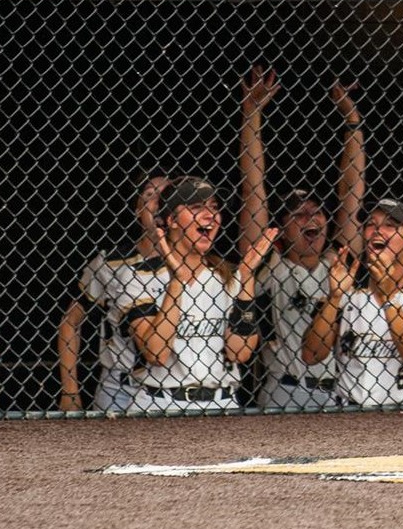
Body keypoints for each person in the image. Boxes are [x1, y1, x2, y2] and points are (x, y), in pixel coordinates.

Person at [238, 66, 366, 409]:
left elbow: (351, 193)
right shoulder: (271, 265)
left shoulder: (337, 262)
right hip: (285, 389)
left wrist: (351, 119)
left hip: (341, 389)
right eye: (298, 214)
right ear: (281, 229)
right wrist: (251, 115)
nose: (311, 218)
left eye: (316, 212)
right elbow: (254, 189)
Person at [103, 176, 276, 414]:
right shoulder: (139, 276)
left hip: (223, 402)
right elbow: (156, 353)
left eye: (214, 208)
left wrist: (246, 277)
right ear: (172, 220)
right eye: (197, 208)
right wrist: (176, 283)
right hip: (160, 403)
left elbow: (240, 351)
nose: (210, 216)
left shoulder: (227, 274)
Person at [304, 200, 403, 406]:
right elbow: (311, 355)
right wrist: (335, 297)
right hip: (348, 412)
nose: (377, 231)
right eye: (371, 224)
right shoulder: (348, 291)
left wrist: (388, 295)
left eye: (390, 225)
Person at [57, 174, 166, 412]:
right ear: (138, 209)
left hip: (174, 386)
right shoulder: (111, 262)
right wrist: (70, 391)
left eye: (167, 194)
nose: (159, 201)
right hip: (120, 388)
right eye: (150, 195)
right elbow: (70, 322)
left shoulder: (197, 262)